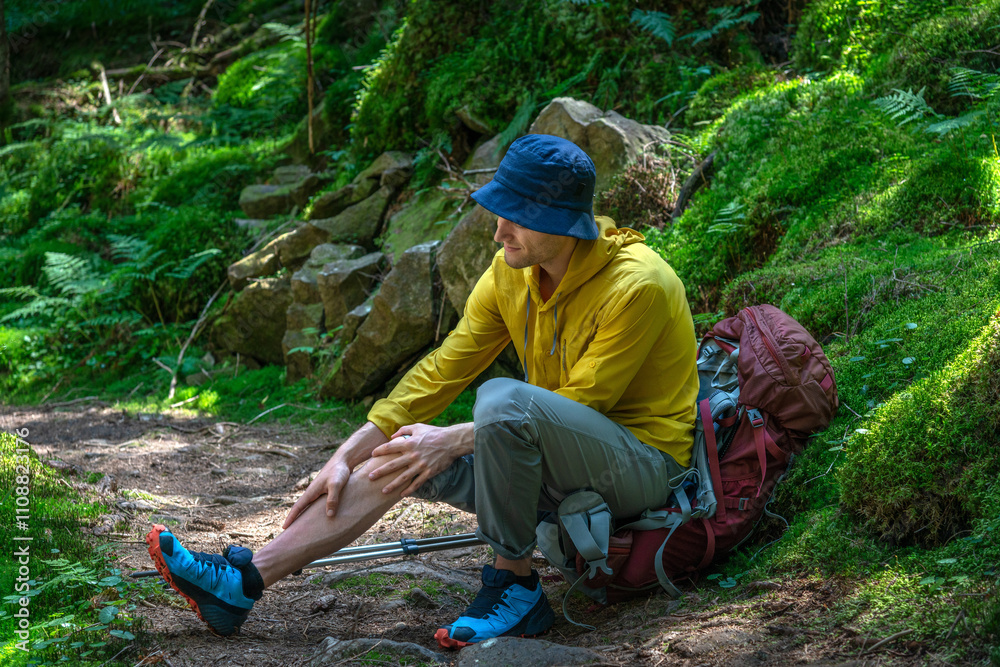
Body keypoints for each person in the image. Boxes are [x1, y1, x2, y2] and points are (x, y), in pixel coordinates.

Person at [145, 134, 699, 648]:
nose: (499, 232)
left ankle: (517, 588)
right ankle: (243, 582)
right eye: (498, 214)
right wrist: (349, 452)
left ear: (563, 222)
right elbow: (446, 366)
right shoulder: (513, 270)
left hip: (642, 471)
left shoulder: (638, 285)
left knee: (501, 402)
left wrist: (456, 440)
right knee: (404, 451)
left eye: (517, 218)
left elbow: (583, 404)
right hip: (550, 456)